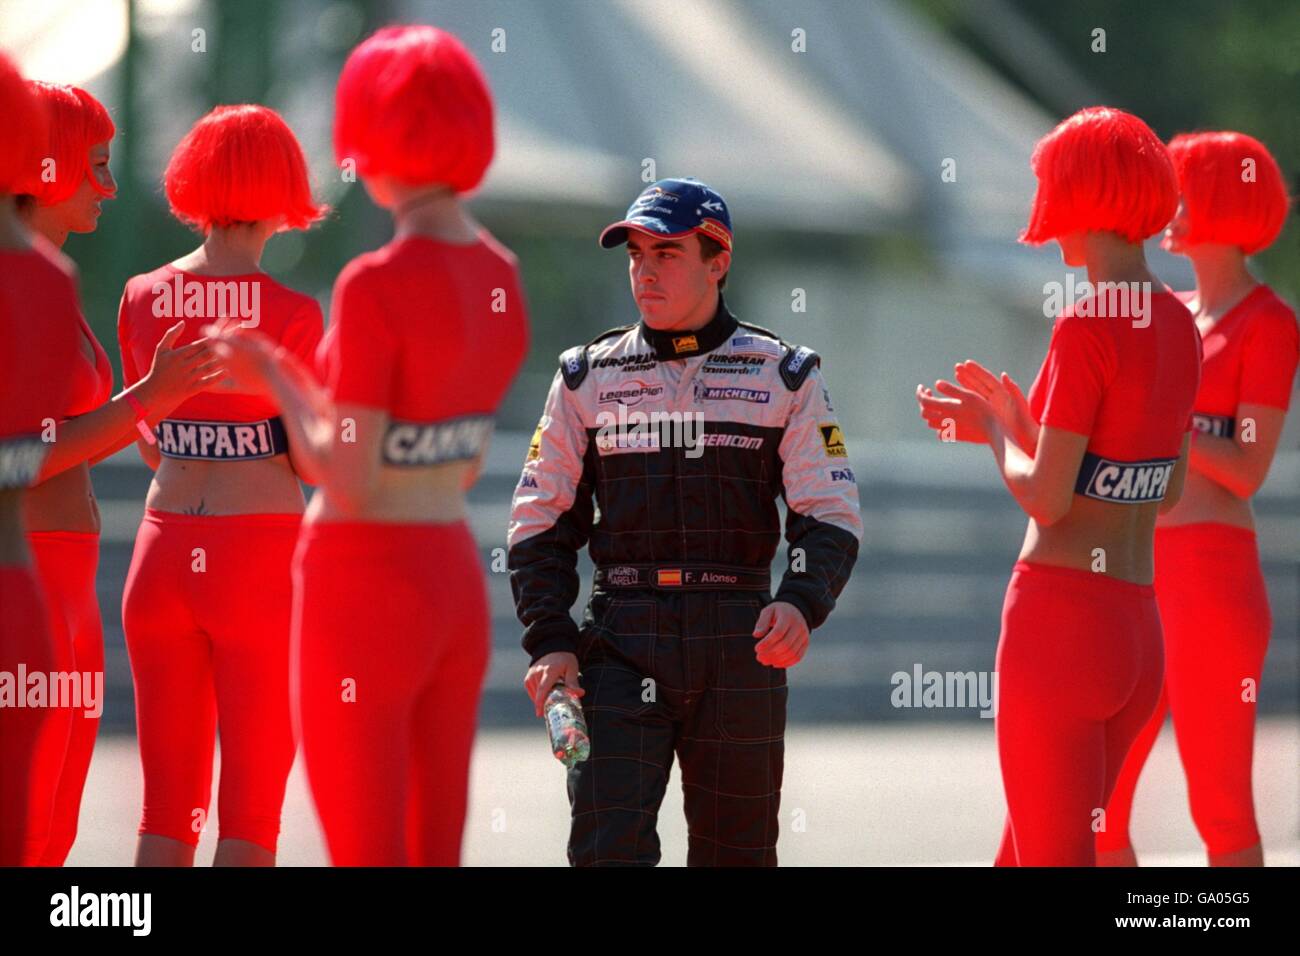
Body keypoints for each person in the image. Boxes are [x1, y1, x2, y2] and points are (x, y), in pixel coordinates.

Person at [207, 24, 528, 866]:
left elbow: (346, 474)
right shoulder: (501, 274)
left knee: (367, 849)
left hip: (363, 585)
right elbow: (435, 454)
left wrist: (271, 383)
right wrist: (290, 369)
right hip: (450, 575)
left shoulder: (376, 281)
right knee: (435, 850)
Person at [509, 177, 863, 866]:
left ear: (717, 261)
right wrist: (549, 638)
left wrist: (802, 600)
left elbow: (829, 511)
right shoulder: (586, 377)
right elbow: (539, 520)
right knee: (606, 851)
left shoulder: (783, 375)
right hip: (620, 637)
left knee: (739, 855)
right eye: (635, 254)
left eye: (666, 253)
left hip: (740, 636)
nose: (645, 270)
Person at [916, 107, 1201, 866]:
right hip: (1137, 632)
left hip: (1060, 627)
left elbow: (1047, 498)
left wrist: (999, 433)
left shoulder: (1085, 324)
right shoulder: (1180, 325)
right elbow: (1159, 489)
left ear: (1077, 194)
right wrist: (1016, 426)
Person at [12, 78, 220, 866]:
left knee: (52, 832)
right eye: (94, 167)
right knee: (26, 824)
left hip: (67, 585)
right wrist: (146, 400)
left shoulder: (50, 278)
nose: (106, 186)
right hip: (27, 584)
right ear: (47, 166)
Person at [117, 104, 325, 867]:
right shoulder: (298, 314)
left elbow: (145, 438)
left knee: (165, 815)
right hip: (260, 564)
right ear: (283, 194)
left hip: (161, 551)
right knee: (249, 820)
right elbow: (314, 462)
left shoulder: (141, 295)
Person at [1098, 131, 1296, 867]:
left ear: (1226, 202)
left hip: (1214, 580)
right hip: (1137, 571)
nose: (1168, 210)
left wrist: (1168, 424)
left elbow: (1247, 466)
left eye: (1185, 193)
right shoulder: (1167, 311)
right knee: (1101, 800)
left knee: (1219, 802)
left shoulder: (1268, 323)